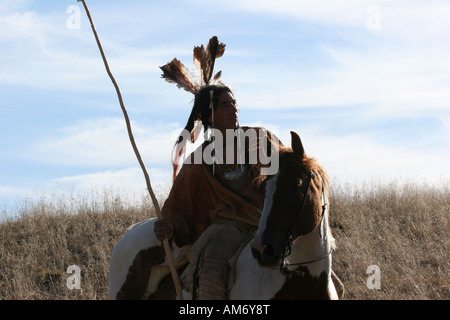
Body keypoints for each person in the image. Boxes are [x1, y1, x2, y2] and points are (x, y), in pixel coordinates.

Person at [154, 37, 281, 299]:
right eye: (225, 106)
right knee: (211, 269)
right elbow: (179, 207)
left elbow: (286, 174)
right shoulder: (199, 162)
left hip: (268, 223)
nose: (234, 109)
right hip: (227, 230)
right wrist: (171, 226)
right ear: (210, 117)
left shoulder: (260, 139)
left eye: (234, 103)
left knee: (321, 274)